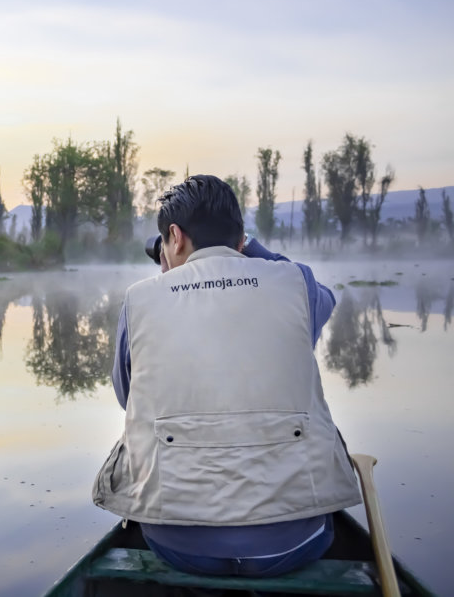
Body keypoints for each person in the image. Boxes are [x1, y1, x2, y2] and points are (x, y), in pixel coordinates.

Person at [92, 174, 362, 577]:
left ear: (174, 236)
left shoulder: (140, 300)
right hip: (295, 541)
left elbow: (129, 397)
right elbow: (324, 297)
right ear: (240, 239)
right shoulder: (297, 284)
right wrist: (246, 245)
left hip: (177, 543)